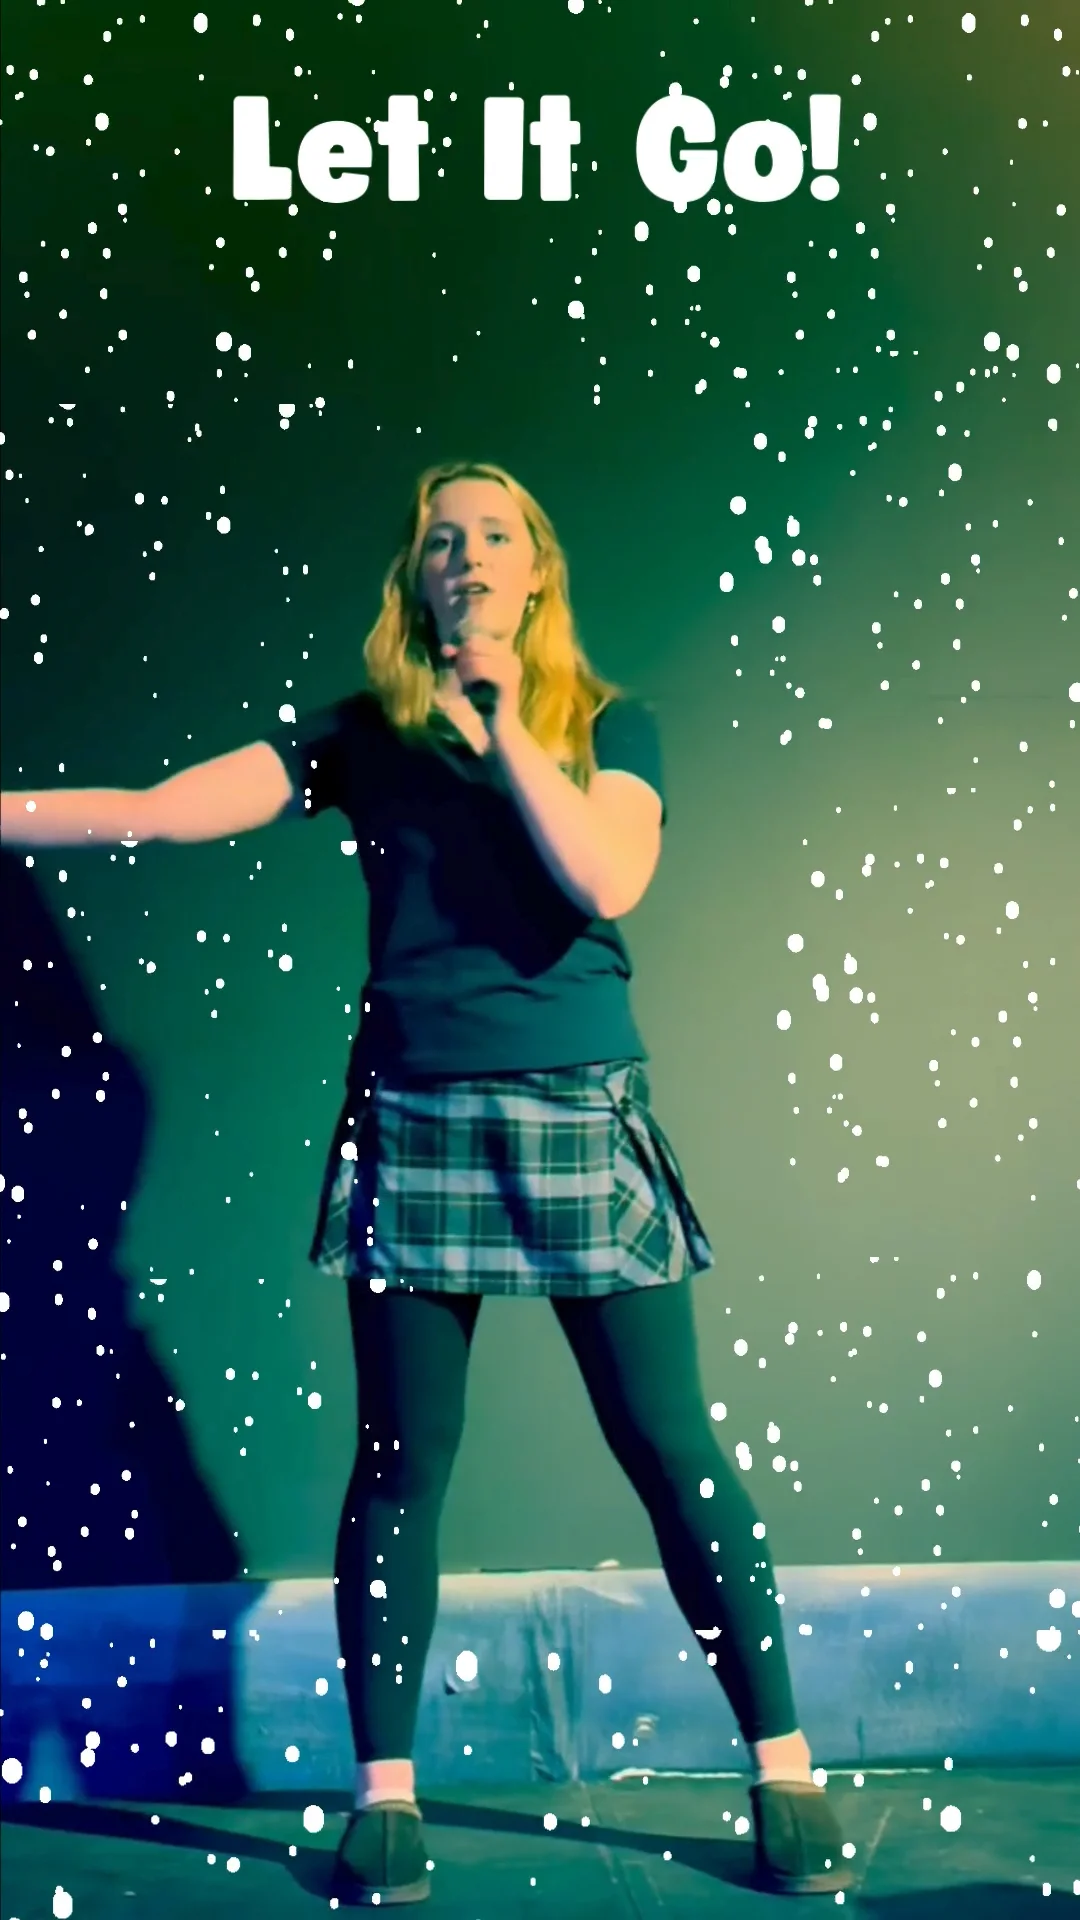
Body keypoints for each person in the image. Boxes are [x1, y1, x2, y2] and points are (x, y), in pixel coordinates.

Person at [0, 459, 851, 1904]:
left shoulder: (609, 725)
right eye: (441, 539)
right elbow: (162, 808)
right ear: (417, 579)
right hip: (416, 1117)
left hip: (577, 1105)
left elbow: (604, 880)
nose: (466, 555)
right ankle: (383, 1800)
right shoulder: (361, 738)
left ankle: (785, 1770)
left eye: (493, 534)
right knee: (401, 1461)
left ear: (535, 570)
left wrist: (508, 723)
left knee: (670, 1449)